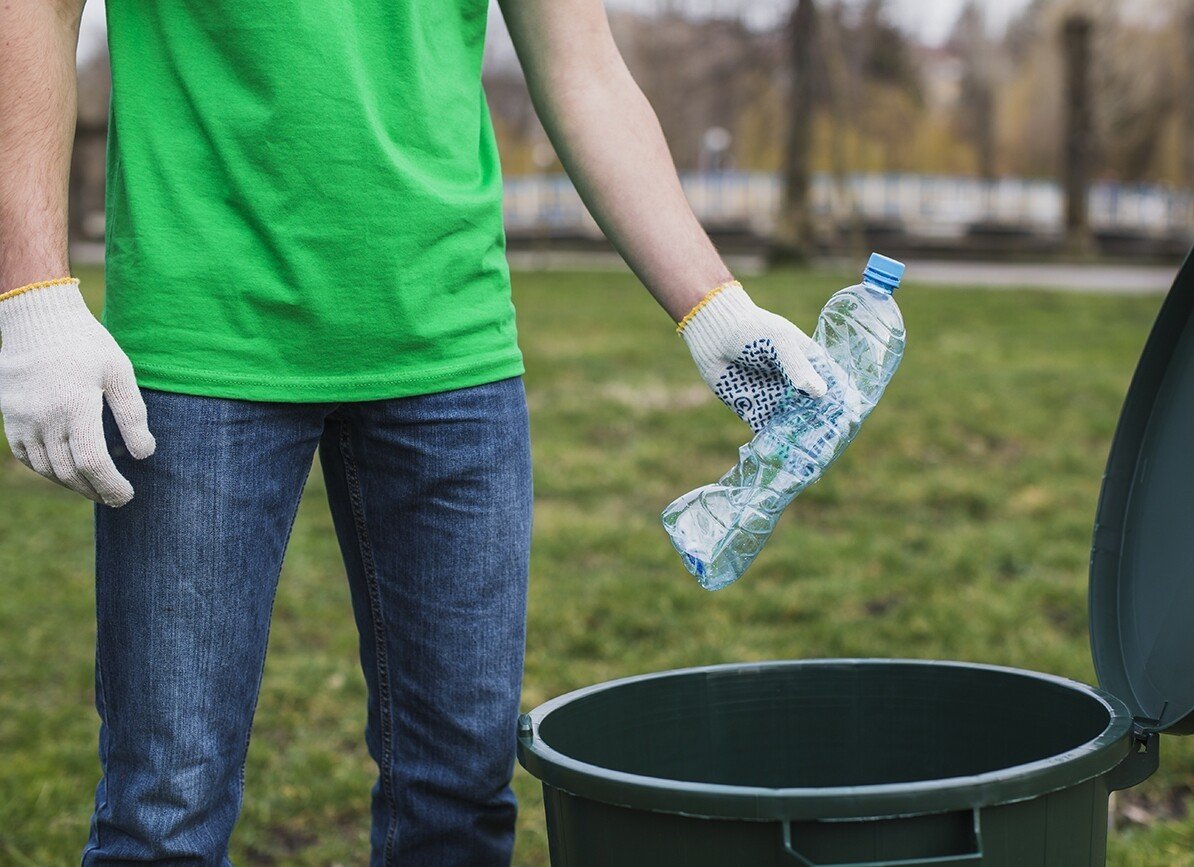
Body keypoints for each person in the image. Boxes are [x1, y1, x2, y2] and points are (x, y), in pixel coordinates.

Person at [0, 0, 830, 863]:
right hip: (202, 339)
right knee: (164, 809)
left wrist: (713, 306)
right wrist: (30, 293)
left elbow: (581, 66)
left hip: (450, 349)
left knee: (460, 799)